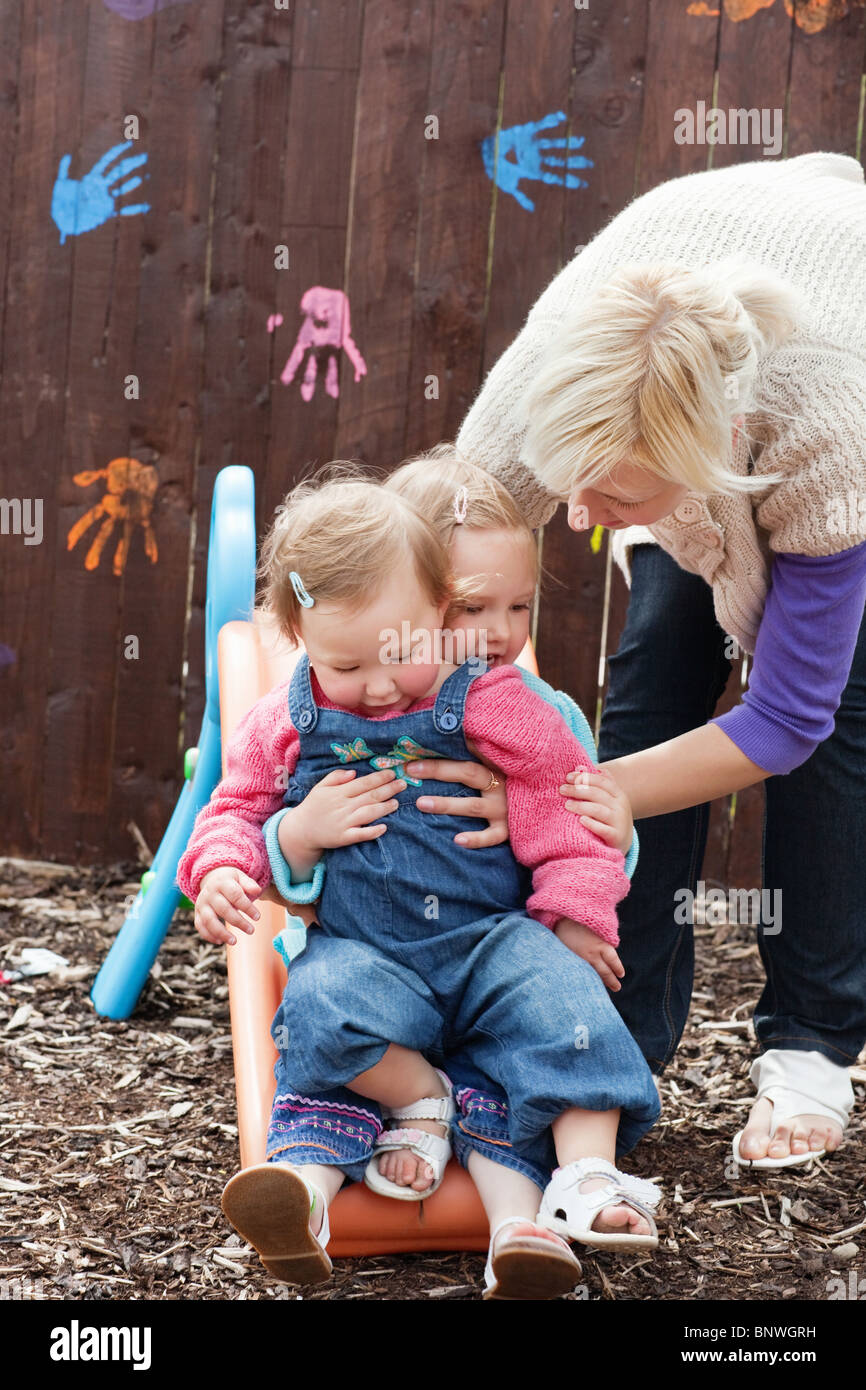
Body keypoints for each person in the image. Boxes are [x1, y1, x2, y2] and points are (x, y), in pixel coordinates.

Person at [452, 151, 866, 1169]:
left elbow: (783, 720)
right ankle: (606, 1033)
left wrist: (566, 790)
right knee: (651, 672)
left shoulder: (825, 428)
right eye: (571, 488)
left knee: (837, 729)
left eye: (614, 499)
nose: (578, 521)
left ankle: (812, 1045)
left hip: (835, 359)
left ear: (707, 451)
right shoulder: (544, 387)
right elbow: (436, 573)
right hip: (686, 300)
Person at [177, 467, 660, 1298]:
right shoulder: (285, 719)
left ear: (431, 612)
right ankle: (417, 1103)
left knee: (567, 998)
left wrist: (578, 913)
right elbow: (233, 806)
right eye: (344, 664)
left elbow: (565, 804)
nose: (373, 686)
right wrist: (234, 862)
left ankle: (587, 1179)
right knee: (318, 1007)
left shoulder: (496, 703)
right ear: (295, 636)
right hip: (367, 950)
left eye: (396, 656)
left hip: (490, 944)